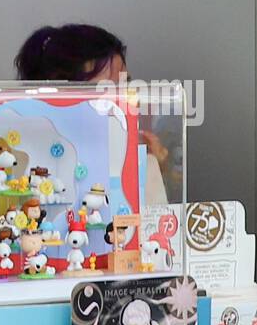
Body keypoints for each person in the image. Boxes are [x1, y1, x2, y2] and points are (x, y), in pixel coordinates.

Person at [14, 24, 170, 205]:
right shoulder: (24, 164)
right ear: (60, 97)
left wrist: (154, 169)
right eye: (105, 90)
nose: (123, 102)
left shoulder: (136, 160)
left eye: (124, 87)